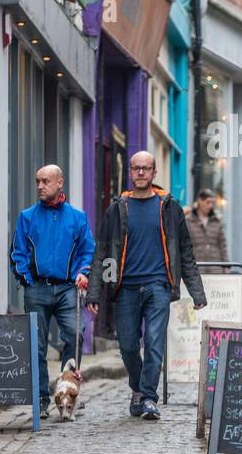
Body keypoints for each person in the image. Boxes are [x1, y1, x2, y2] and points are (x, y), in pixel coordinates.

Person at [86, 151, 206, 421]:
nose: (141, 173)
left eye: (146, 169)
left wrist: (196, 292)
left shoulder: (169, 207)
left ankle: (149, 397)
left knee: (154, 343)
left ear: (154, 173)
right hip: (125, 288)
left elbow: (184, 251)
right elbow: (102, 252)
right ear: (130, 173)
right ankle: (137, 388)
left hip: (158, 286)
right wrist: (95, 292)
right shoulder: (117, 208)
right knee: (128, 346)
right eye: (136, 169)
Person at [11, 164, 94, 409]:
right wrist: (27, 279)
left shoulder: (78, 218)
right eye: (38, 181)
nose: (39, 186)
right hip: (37, 289)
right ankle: (41, 398)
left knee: (75, 333)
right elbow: (18, 252)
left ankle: (66, 387)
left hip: (68, 288)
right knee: (36, 345)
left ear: (60, 183)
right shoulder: (27, 217)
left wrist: (82, 272)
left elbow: (86, 250)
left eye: (45, 181)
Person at [185, 189, 229, 264]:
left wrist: (226, 265)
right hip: (197, 268)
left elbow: (222, 245)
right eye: (208, 202)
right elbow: (185, 246)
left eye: (212, 203)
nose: (210, 205)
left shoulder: (216, 221)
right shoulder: (189, 222)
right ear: (200, 201)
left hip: (216, 268)